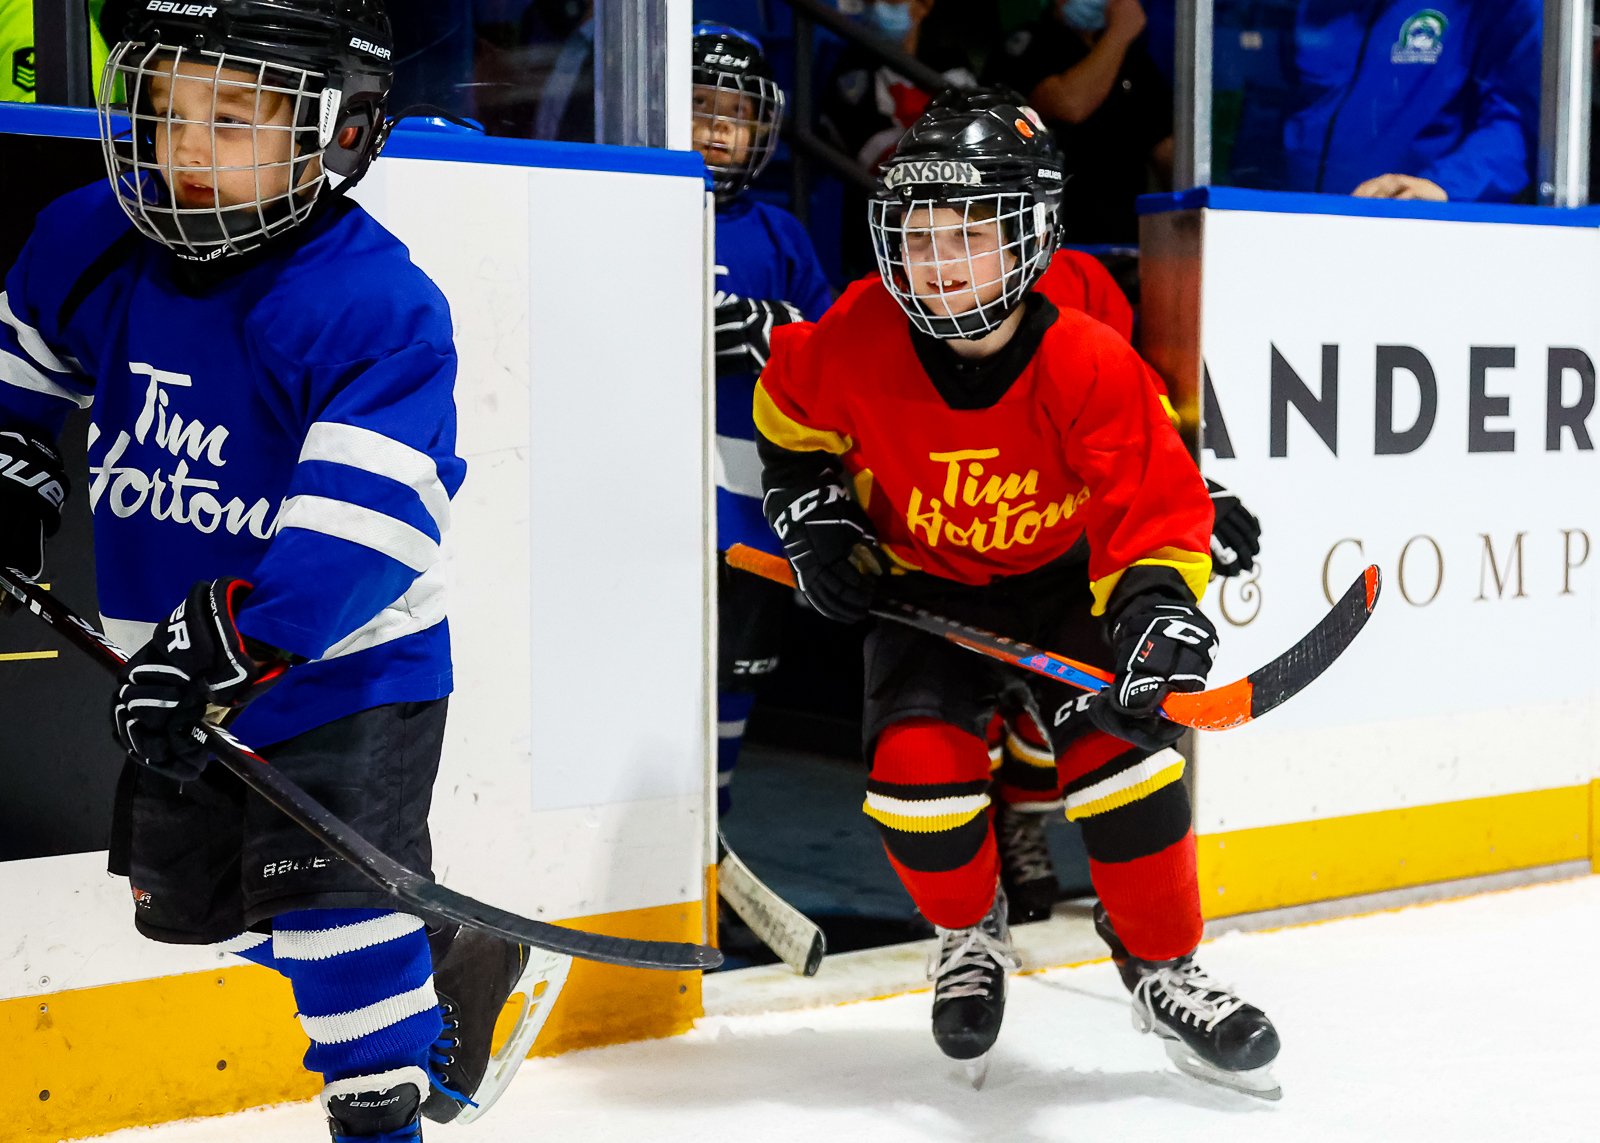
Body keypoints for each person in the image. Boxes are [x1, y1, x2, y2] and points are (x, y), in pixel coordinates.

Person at [0, 3, 539, 1138]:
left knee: (333, 929)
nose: (186, 147)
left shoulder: (371, 304)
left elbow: (371, 507)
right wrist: (12, 469)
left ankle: (378, 1112)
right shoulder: (89, 238)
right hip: (173, 666)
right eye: (168, 110)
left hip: (343, 667)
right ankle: (443, 952)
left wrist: (248, 632)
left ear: (340, 134)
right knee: (227, 908)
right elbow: (25, 361)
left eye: (234, 118)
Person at [753, 87, 1281, 1097]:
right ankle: (967, 934)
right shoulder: (857, 330)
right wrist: (815, 512)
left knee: (1126, 771)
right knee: (915, 784)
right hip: (930, 594)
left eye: (970, 235)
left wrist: (1156, 609)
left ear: (1031, 237)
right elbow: (790, 424)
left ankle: (1164, 968)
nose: (937, 262)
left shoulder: (1086, 359)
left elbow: (1151, 511)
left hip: (1062, 589)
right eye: (915, 234)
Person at [691, 25, 834, 818]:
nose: (716, 128)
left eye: (733, 113)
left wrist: (772, 329)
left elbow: (830, 349)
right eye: (700, 106)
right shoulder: (633, 209)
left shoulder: (779, 234)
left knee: (734, 673)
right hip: (653, 497)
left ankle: (711, 838)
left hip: (746, 499)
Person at [1246, 0, 1541, 202]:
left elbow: (1521, 116)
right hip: (1294, 230)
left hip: (1424, 234)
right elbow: (1269, 104)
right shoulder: (1317, 10)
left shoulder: (1490, 7)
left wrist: (1447, 186)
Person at [982, 0, 1173, 244]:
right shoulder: (1028, 43)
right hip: (1047, 241)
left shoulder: (1138, 64)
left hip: (1123, 245)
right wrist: (1119, 33)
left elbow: (1166, 154)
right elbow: (1069, 105)